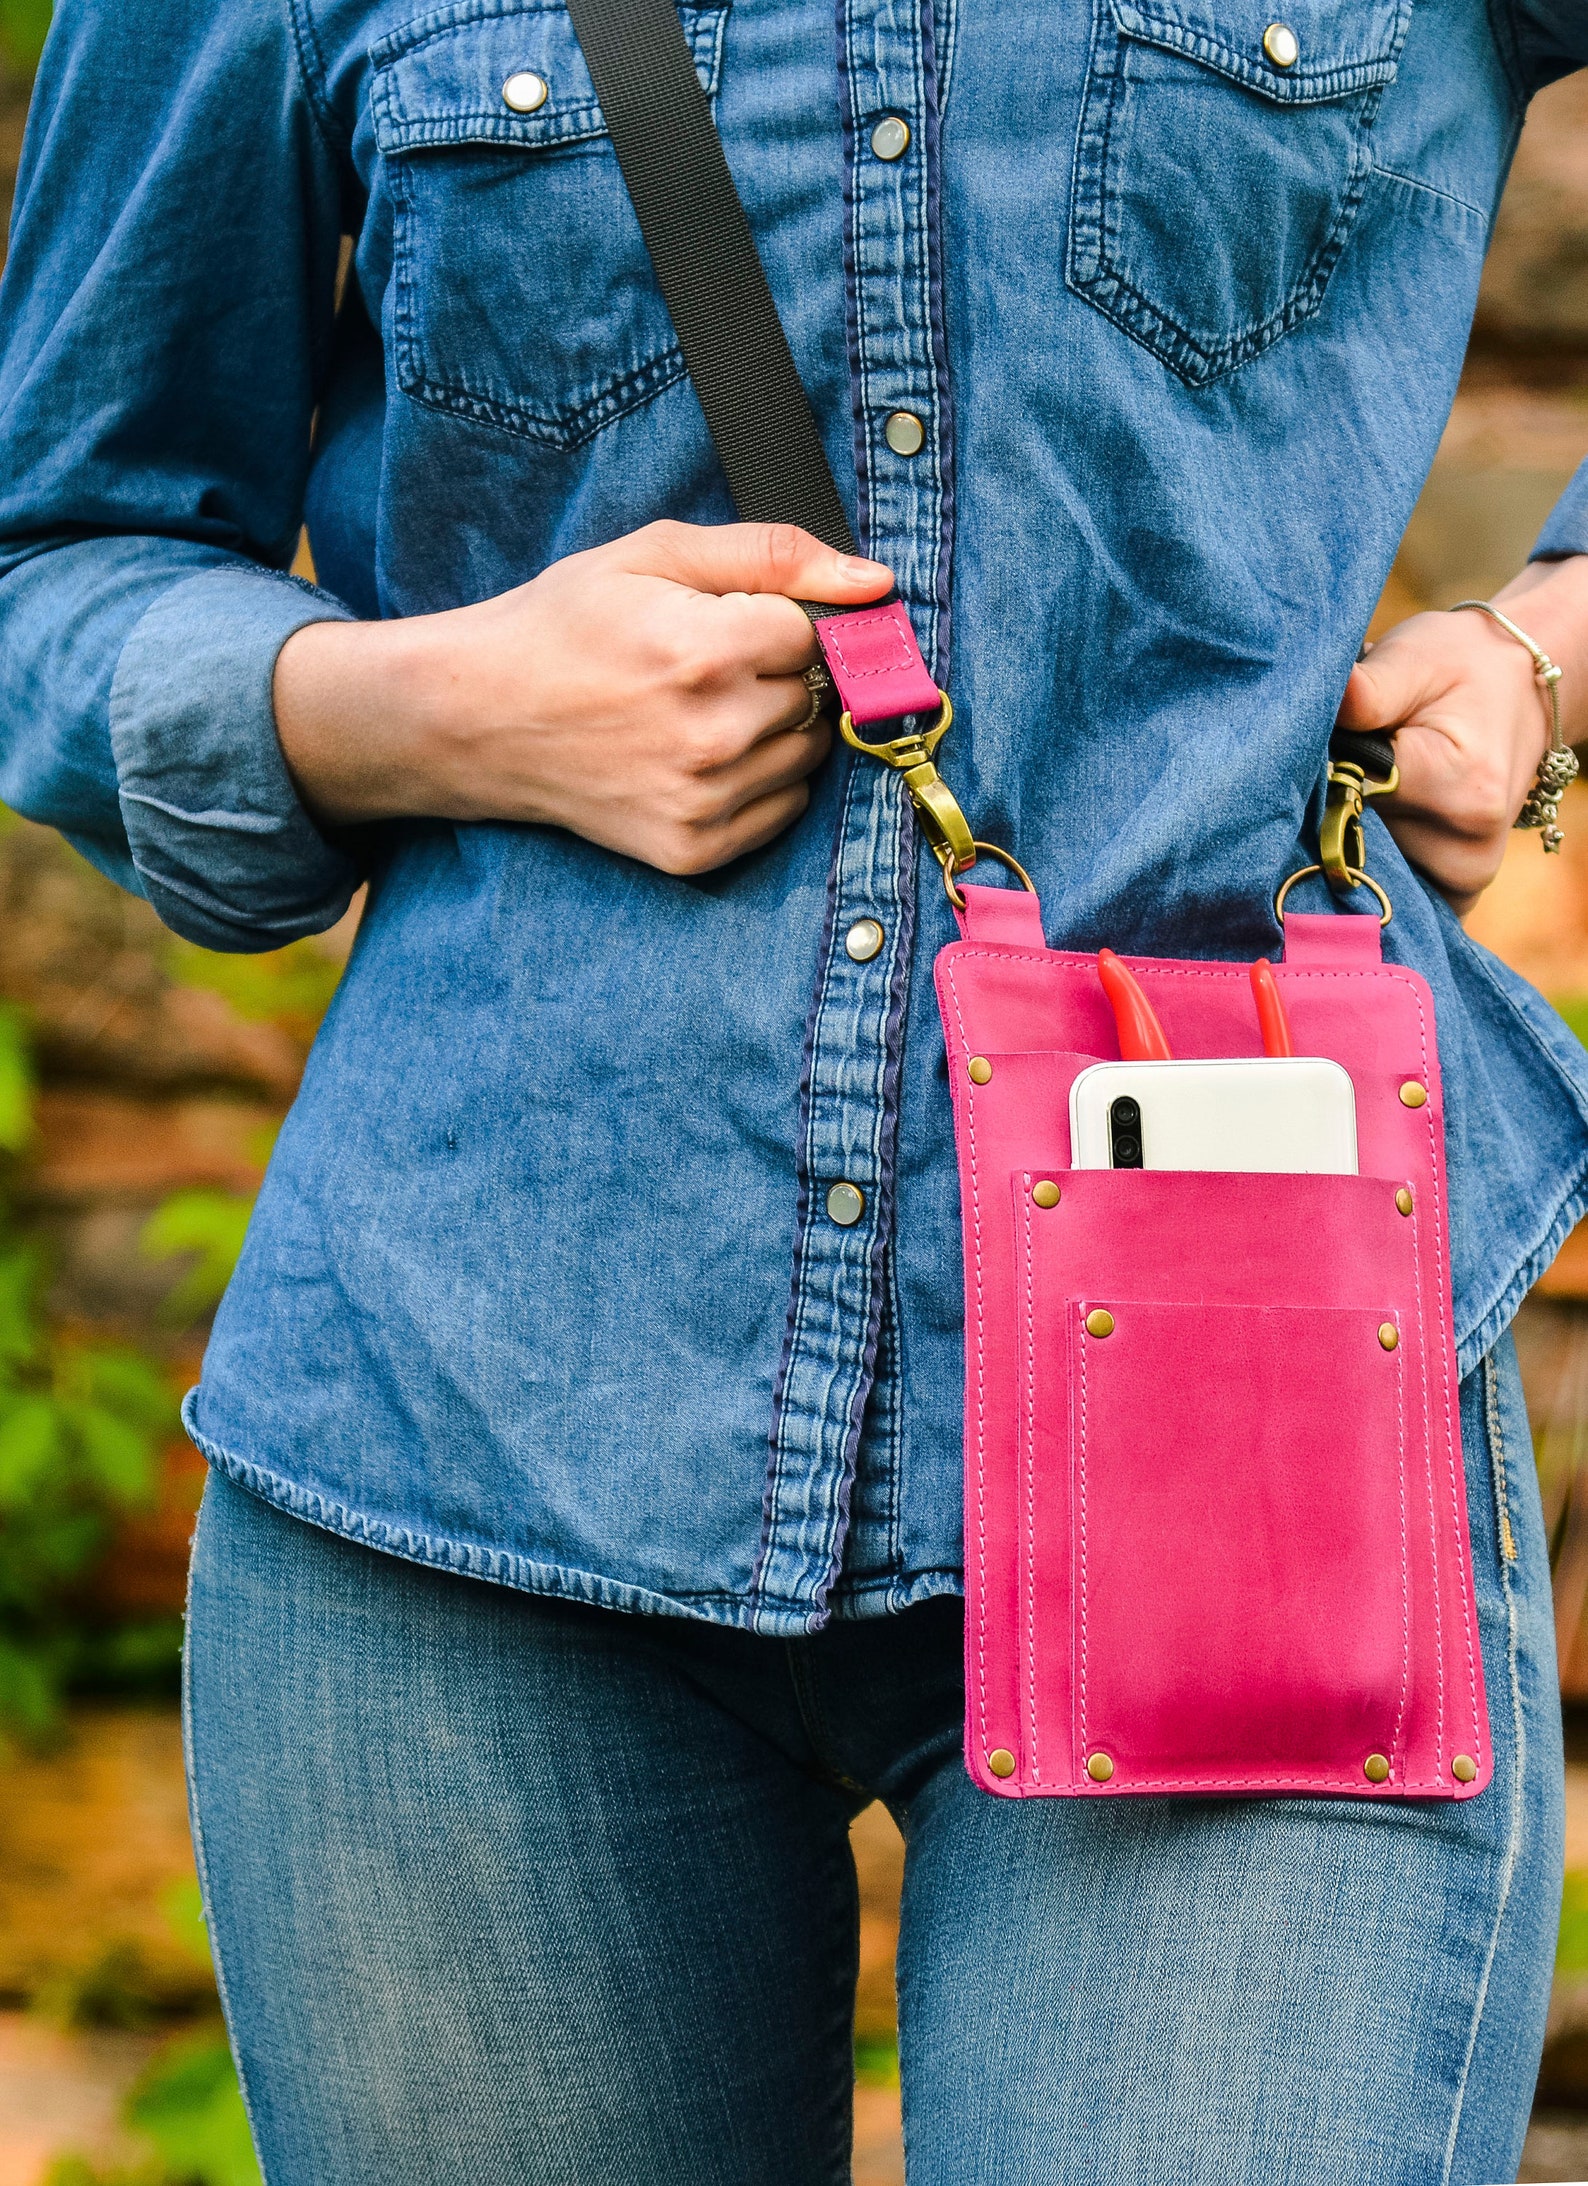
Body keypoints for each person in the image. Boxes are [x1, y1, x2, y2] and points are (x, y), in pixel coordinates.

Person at [1, 0, 1585, 2177]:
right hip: (474, 1432)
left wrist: (1539, 649)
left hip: (1250, 1428)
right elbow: (55, 555)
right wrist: (426, 709)